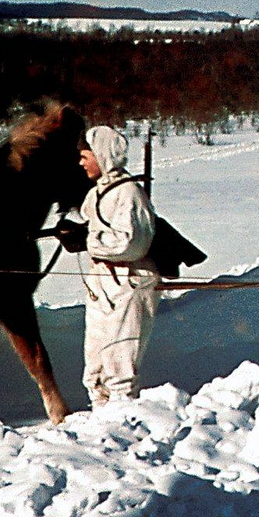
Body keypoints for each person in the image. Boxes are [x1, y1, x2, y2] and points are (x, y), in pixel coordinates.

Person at [58, 126, 159, 408]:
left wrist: (87, 240)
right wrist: (75, 233)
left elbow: (132, 244)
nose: (81, 162)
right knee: (97, 359)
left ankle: (122, 418)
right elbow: (98, 229)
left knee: (120, 358)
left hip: (129, 281)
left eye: (85, 155)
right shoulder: (97, 194)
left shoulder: (129, 194)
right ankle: (100, 414)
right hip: (102, 281)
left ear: (103, 155)